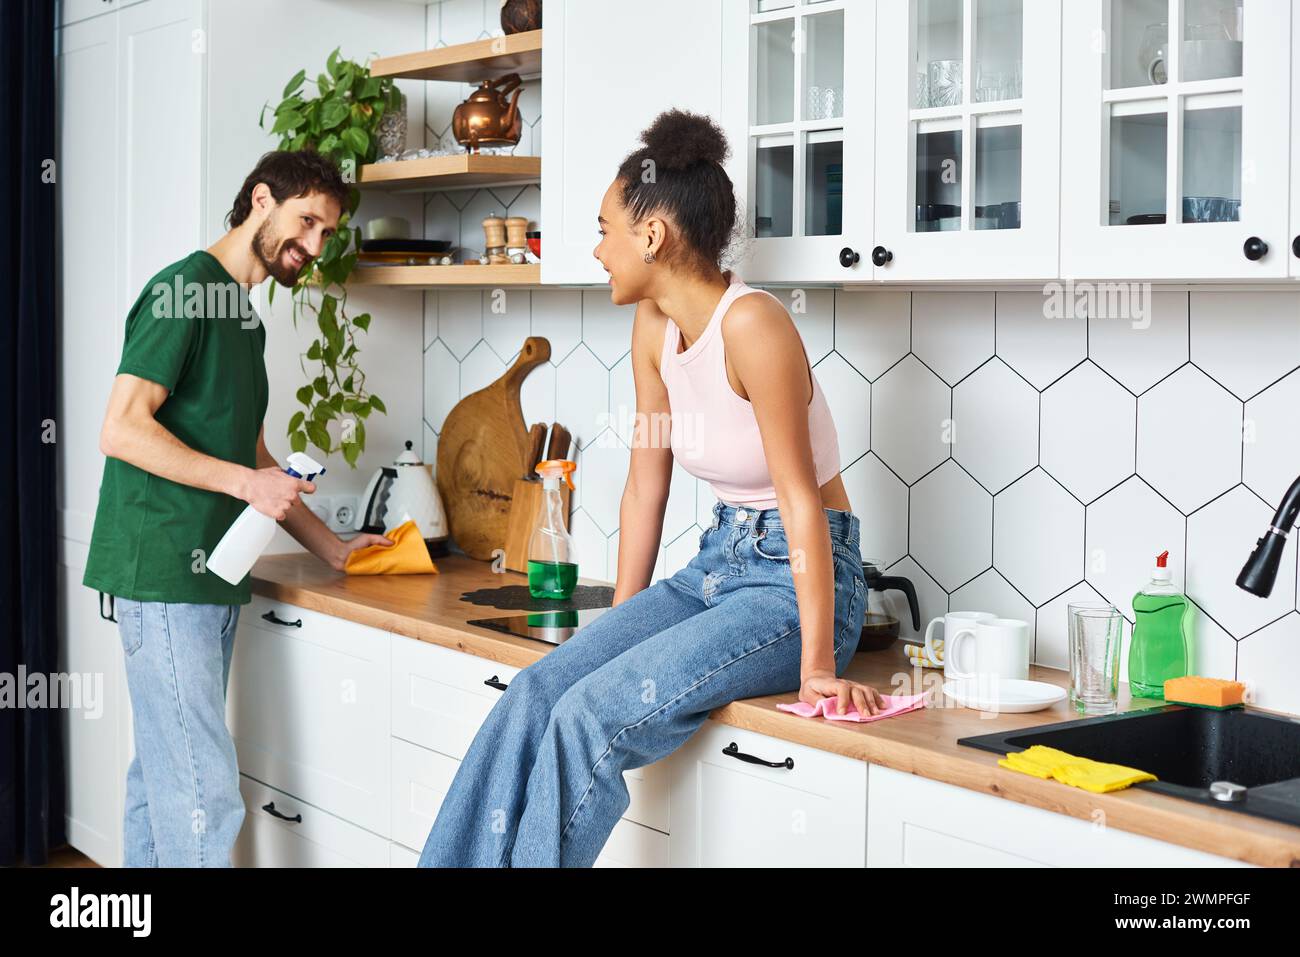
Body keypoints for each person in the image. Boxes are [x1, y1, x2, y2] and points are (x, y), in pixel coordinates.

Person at [419, 109, 882, 869]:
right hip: (714, 566)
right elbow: (646, 484)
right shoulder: (653, 327)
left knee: (586, 720)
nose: (598, 248)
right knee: (539, 693)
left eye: (605, 229)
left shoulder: (754, 328)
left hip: (791, 585)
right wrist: (614, 628)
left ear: (654, 236)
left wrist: (817, 666)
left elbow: (803, 502)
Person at [82, 150, 393, 867]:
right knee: (201, 794)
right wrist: (247, 484)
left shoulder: (244, 320)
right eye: (306, 222)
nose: (313, 247)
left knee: (161, 780)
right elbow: (121, 428)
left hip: (212, 576)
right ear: (261, 200)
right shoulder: (183, 291)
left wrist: (334, 548)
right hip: (159, 572)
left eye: (326, 234)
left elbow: (252, 454)